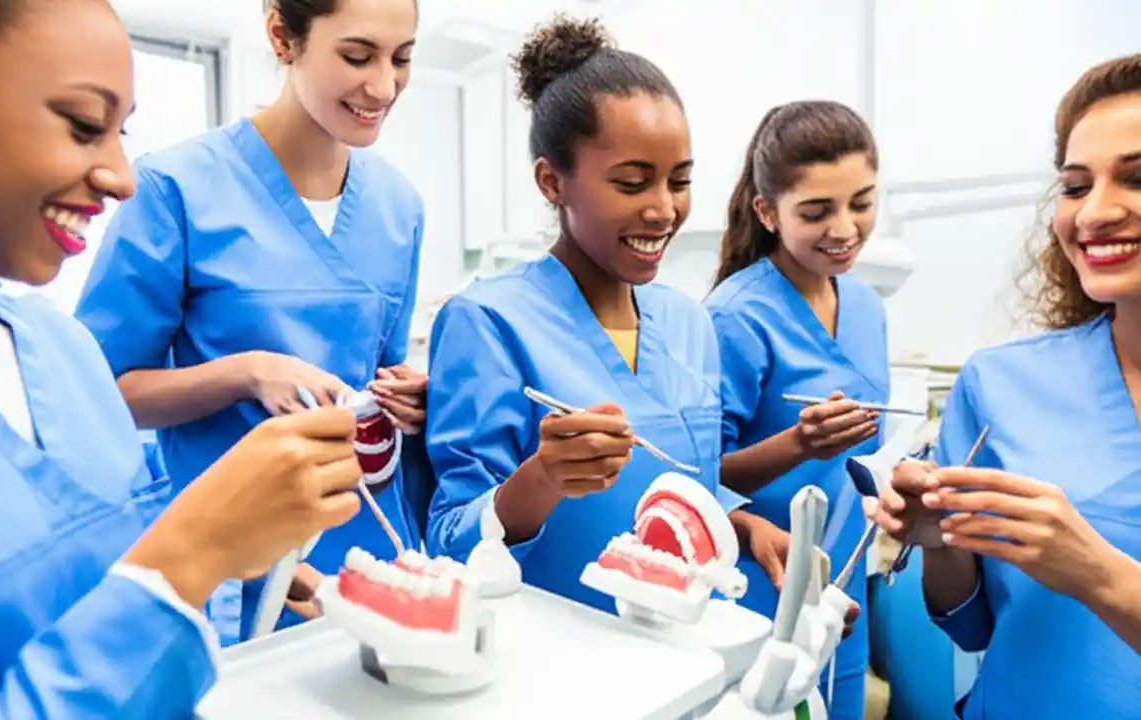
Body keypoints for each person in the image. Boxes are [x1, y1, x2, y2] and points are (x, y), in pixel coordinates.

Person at [0, 1, 362, 717]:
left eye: (121, 134)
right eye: (83, 126)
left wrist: (250, 563)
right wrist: (194, 554)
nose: (122, 178)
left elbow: (129, 549)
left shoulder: (61, 349)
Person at [75, 0, 429, 642]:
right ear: (281, 35)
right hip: (231, 570)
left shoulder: (399, 207)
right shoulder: (174, 188)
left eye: (401, 59)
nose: (383, 85)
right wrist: (246, 374)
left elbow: (377, 382)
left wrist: (412, 400)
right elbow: (102, 394)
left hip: (364, 564)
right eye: (357, 55)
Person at [423, 16, 791, 615]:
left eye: (680, 181)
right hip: (554, 667)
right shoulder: (488, 322)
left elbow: (679, 479)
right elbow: (447, 541)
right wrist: (543, 477)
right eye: (631, 183)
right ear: (552, 181)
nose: (663, 210)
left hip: (682, 660)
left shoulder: (689, 323)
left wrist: (742, 521)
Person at [867, 54, 1141, 718]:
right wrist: (941, 543)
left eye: (1136, 178)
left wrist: (1098, 573)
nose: (1095, 212)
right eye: (1076, 186)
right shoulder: (1001, 384)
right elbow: (971, 626)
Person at [703, 100, 886, 719]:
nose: (845, 228)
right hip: (762, 598)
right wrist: (798, 444)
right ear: (767, 212)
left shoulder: (866, 306)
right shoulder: (737, 317)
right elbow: (702, 479)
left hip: (843, 596)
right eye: (816, 212)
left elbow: (861, 463)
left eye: (861, 202)